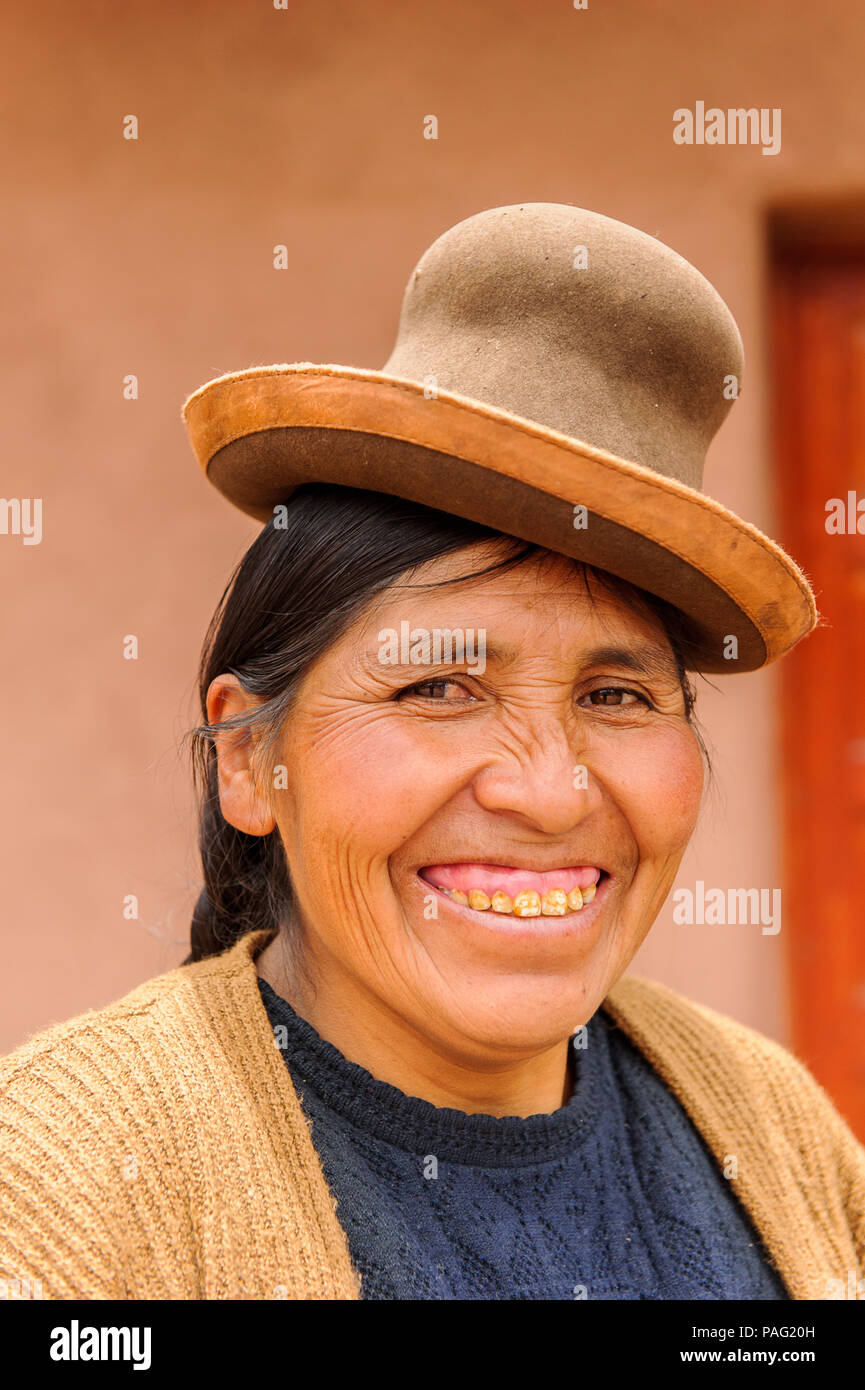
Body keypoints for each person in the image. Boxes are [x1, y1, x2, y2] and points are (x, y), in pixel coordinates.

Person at [1, 204, 862, 1301]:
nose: (549, 791)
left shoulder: (767, 1123)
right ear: (249, 758)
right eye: (439, 687)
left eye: (615, 693)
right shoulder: (65, 1188)